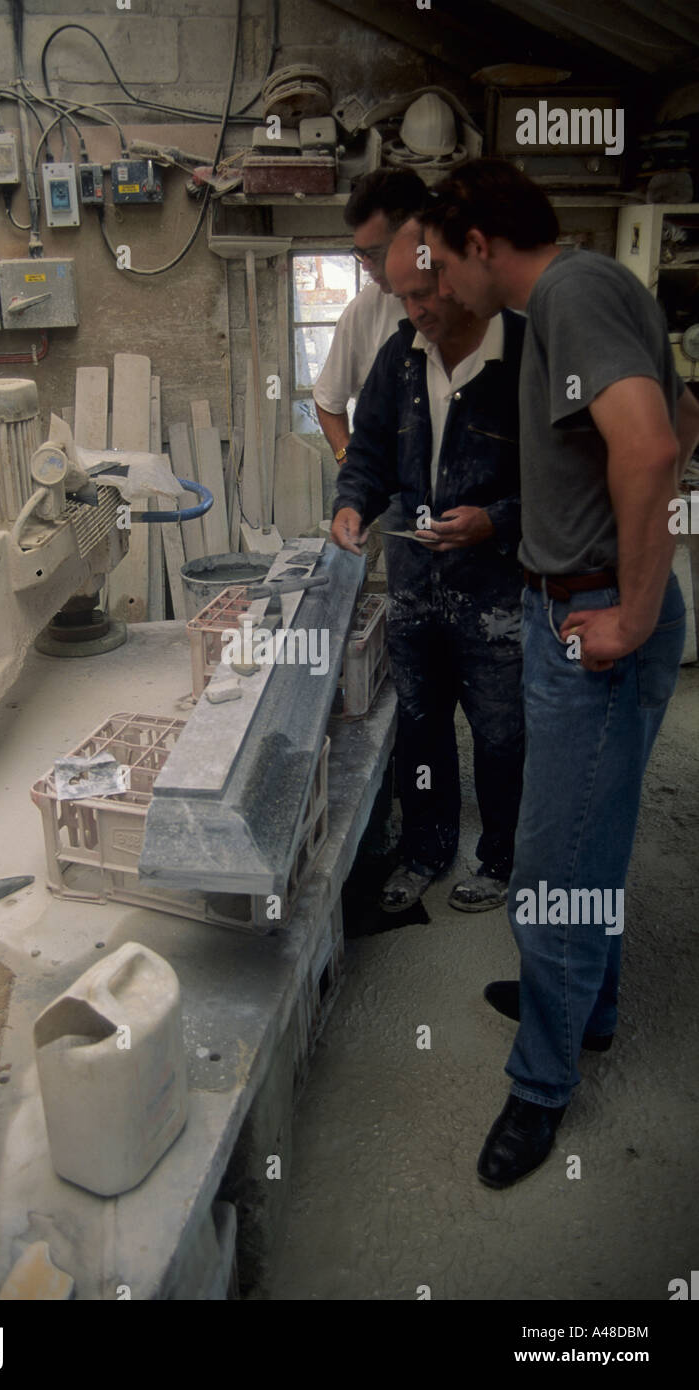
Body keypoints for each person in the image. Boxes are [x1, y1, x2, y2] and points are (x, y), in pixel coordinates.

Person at [421, 158, 699, 1189]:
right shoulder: (590, 289)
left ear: (484, 244)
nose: (441, 287)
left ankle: (540, 1084)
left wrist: (626, 609)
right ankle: (590, 1009)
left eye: (444, 264)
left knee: (551, 870)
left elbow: (652, 447)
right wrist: (510, 521)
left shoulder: (571, 295)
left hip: (593, 626)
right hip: (574, 605)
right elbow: (682, 415)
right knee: (588, 837)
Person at [331, 224, 526, 914]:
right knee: (419, 723)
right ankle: (424, 849)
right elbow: (368, 449)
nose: (414, 308)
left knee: (501, 731)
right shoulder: (400, 357)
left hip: (495, 588)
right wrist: (352, 503)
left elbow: (565, 486)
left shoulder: (525, 354)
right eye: (403, 296)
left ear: (456, 277)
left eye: (424, 292)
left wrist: (494, 520)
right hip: (415, 581)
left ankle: (501, 859)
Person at [313, 169, 429, 464]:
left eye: (375, 253)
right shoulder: (365, 310)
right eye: (359, 253)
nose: (365, 266)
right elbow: (328, 399)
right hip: (393, 493)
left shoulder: (481, 305)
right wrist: (348, 459)